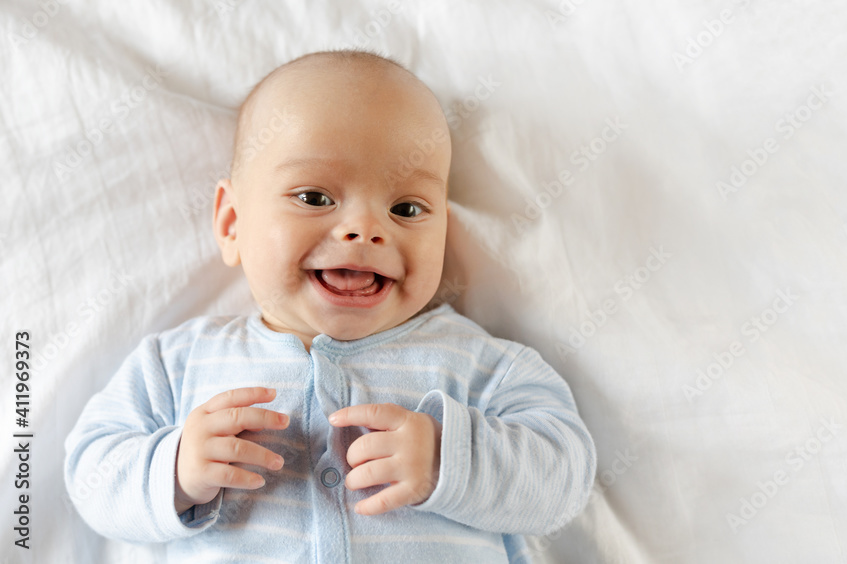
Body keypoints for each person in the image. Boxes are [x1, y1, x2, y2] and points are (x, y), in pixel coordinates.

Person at [64, 50, 596, 563]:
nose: (365, 229)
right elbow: (90, 469)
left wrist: (447, 460)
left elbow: (565, 475)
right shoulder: (176, 364)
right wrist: (174, 468)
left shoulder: (484, 366)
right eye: (314, 198)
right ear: (231, 224)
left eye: (406, 208)